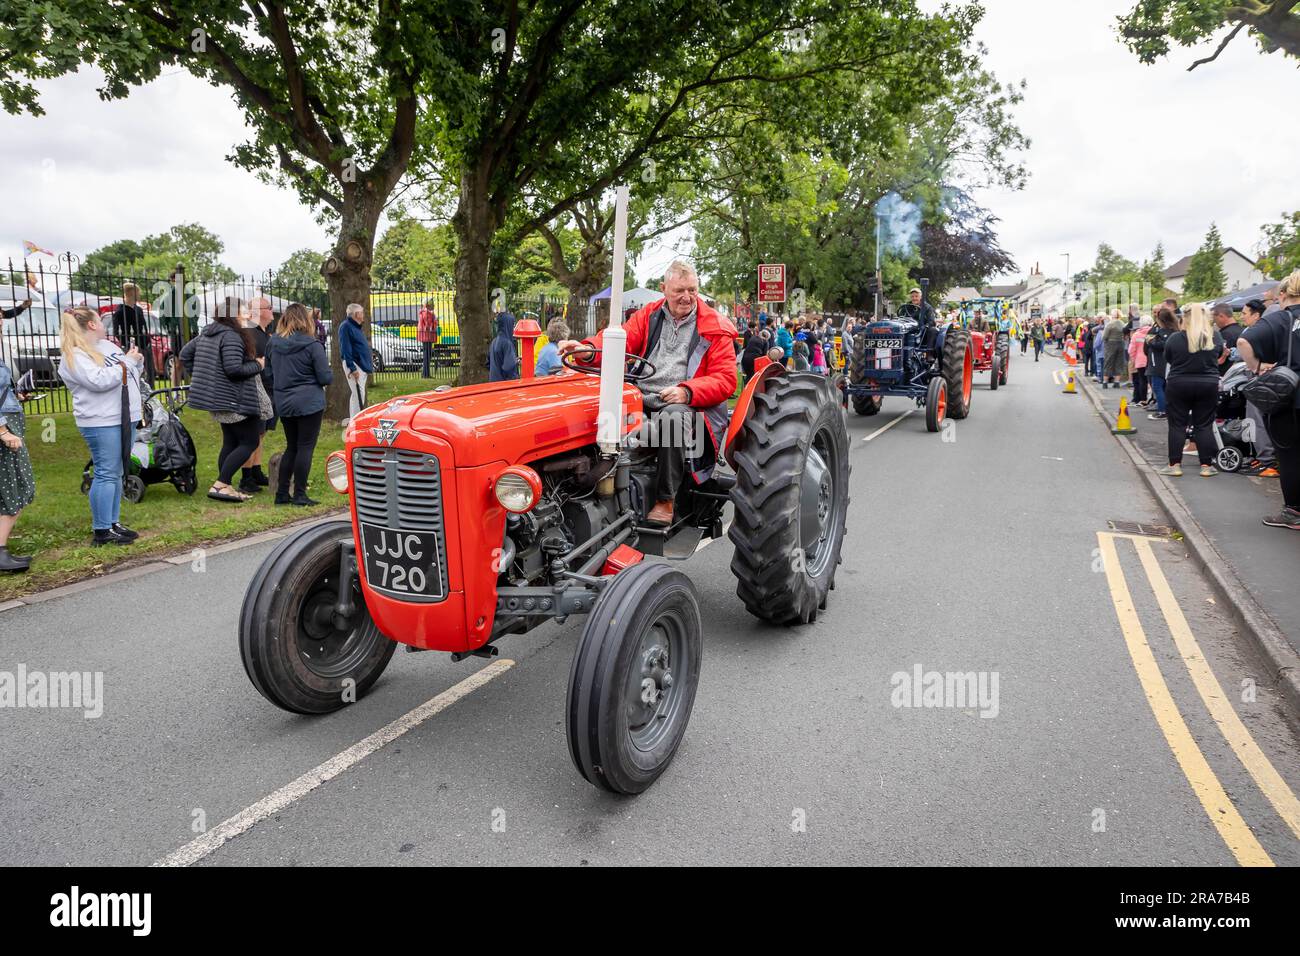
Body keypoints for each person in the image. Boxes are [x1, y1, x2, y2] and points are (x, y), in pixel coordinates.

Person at [556, 260, 737, 527]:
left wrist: (687, 392)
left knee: (672, 420)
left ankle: (666, 500)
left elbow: (726, 379)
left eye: (692, 290)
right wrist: (587, 350)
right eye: (679, 291)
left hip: (690, 406)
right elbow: (620, 340)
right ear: (664, 289)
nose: (687, 297)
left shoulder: (715, 327)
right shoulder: (649, 316)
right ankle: (582, 484)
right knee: (592, 409)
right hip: (641, 399)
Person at [57, 306, 145, 545]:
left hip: (124, 416)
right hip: (100, 420)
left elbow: (129, 374)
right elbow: (99, 381)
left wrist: (136, 361)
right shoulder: (74, 354)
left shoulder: (108, 347)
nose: (105, 324)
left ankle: (112, 522)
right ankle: (102, 531)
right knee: (106, 472)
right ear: (93, 324)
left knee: (116, 472)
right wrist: (127, 361)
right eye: (100, 320)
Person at [181, 302, 266, 502]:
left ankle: (224, 485)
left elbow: (185, 355)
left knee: (231, 441)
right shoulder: (232, 336)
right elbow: (234, 369)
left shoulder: (208, 333)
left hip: (219, 398)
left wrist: (205, 375)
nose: (246, 314)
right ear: (233, 314)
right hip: (233, 399)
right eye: (243, 310)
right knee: (249, 441)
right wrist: (257, 365)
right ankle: (221, 484)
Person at [1238, 270, 1300, 529]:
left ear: (1283, 294)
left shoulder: (1281, 318)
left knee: (1290, 455)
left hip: (1291, 397)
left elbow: (1244, 341)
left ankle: (1294, 513)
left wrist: (1258, 367)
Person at [267, 303, 332, 506]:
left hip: (285, 401)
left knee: (292, 447)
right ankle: (300, 494)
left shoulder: (273, 344)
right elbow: (324, 377)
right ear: (306, 320)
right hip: (309, 401)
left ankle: (282, 493)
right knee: (305, 447)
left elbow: (268, 373)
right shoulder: (312, 345)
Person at [1157, 303, 1226, 478]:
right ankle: (1206, 465)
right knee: (1203, 425)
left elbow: (1169, 358)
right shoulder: (1215, 337)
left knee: (1177, 425)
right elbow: (1217, 357)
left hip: (1179, 383)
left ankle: (1175, 465)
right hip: (1208, 384)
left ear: (1184, 318)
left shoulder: (1175, 338)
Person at [0, 304, 36, 571]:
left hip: (8, 419)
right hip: (4, 430)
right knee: (15, 489)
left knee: (11, 488)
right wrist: (3, 432)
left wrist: (16, 396)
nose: (1, 321)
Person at [237, 296, 276, 494]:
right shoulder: (250, 334)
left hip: (267, 387)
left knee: (262, 432)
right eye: (268, 307)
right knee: (253, 433)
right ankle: (246, 477)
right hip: (255, 389)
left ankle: (256, 470)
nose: (272, 310)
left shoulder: (263, 333)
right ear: (258, 312)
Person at [1237, 299, 1277, 475]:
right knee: (1258, 420)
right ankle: (1262, 458)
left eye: (1245, 313)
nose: (1242, 316)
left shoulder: (1259, 331)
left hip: (1261, 380)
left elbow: (1241, 344)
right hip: (1271, 380)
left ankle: (1266, 461)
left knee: (1256, 419)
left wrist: (1256, 366)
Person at [111, 282, 154, 382]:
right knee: (134, 373)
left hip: (144, 344)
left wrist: (147, 339)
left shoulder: (138, 309)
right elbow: (117, 332)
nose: (139, 295)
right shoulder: (120, 311)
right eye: (137, 292)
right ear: (132, 293)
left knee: (149, 371)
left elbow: (144, 327)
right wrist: (127, 344)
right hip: (130, 346)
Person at [338, 302, 373, 421]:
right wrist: (352, 368)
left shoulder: (355, 327)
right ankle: (357, 421)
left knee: (357, 395)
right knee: (358, 395)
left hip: (360, 365)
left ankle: (355, 420)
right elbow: (345, 348)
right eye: (362, 312)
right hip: (354, 365)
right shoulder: (346, 326)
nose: (363, 315)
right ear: (357, 314)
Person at [1144, 308, 1175, 419]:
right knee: (1165, 388)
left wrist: (1150, 341)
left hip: (1158, 363)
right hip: (1167, 363)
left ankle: (1163, 411)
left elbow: (1161, 345)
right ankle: (1167, 410)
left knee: (1157, 387)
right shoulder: (1174, 330)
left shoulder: (1163, 332)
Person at [488, 311, 519, 382]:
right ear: (508, 325)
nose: (513, 328)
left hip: (493, 383)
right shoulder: (507, 343)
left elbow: (488, 363)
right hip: (504, 386)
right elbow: (509, 367)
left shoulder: (494, 341)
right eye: (512, 325)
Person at [1129, 316, 1152, 406]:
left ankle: (1143, 400)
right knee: (1152, 381)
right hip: (1151, 360)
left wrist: (1133, 359)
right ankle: (1153, 399)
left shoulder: (1136, 334)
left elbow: (1131, 350)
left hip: (1140, 361)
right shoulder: (1153, 332)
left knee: (1142, 380)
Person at [1102, 310, 1126, 387]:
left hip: (1110, 344)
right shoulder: (1123, 324)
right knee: (1119, 362)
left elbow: (1104, 337)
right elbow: (1125, 334)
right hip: (1121, 343)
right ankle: (1117, 382)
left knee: (1108, 362)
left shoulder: (1109, 324)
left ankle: (1105, 382)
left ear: (1112, 316)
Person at [417, 300, 439, 378]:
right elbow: (428, 325)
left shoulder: (425, 312)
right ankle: (425, 374)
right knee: (427, 355)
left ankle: (425, 374)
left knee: (428, 355)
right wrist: (435, 321)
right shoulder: (427, 313)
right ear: (428, 305)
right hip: (427, 336)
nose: (434, 305)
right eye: (432, 304)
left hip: (426, 336)